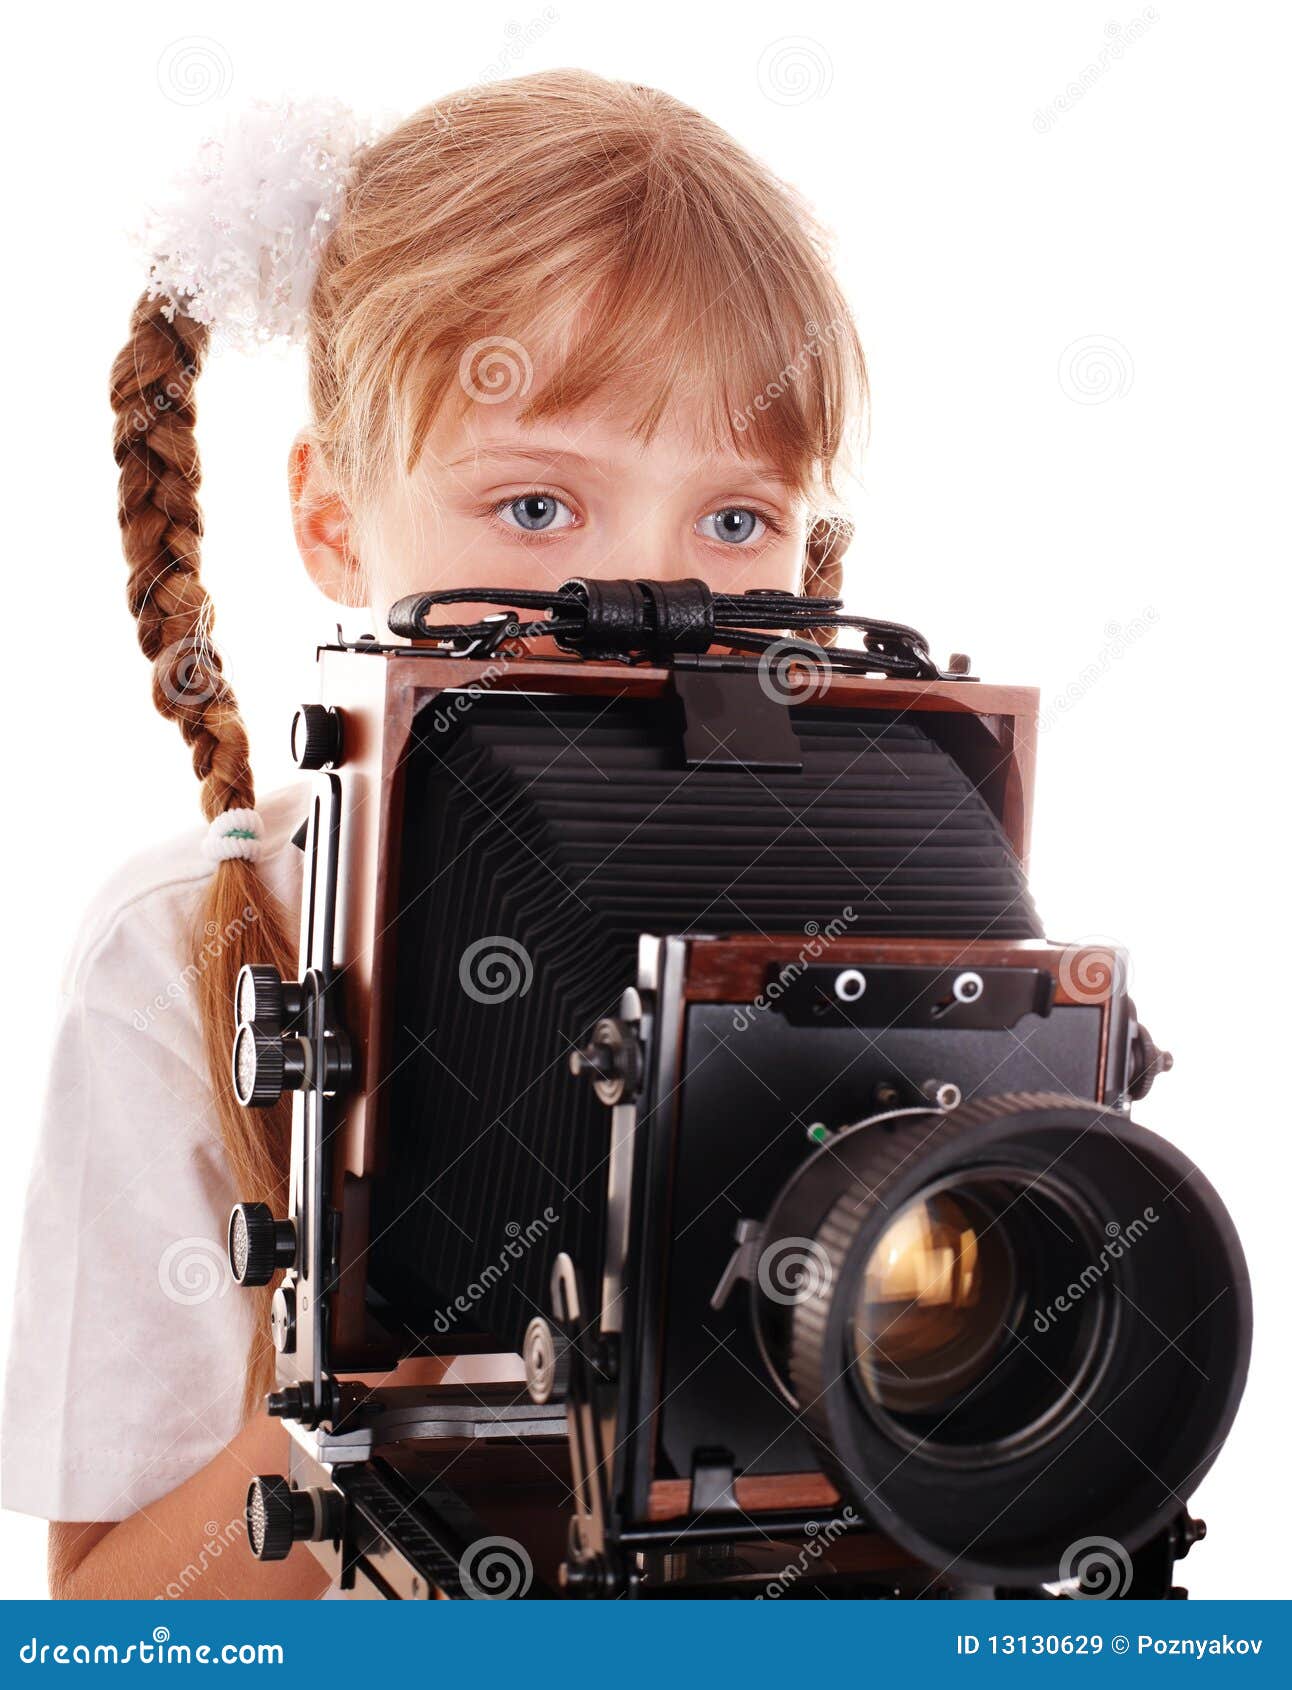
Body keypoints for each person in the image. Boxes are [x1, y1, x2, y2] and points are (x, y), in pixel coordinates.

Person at [2, 68, 866, 1599]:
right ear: (336, 525)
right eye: (536, 507)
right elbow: (112, 1622)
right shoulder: (188, 949)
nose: (646, 602)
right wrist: (368, 1382)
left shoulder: (879, 903)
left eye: (734, 522)